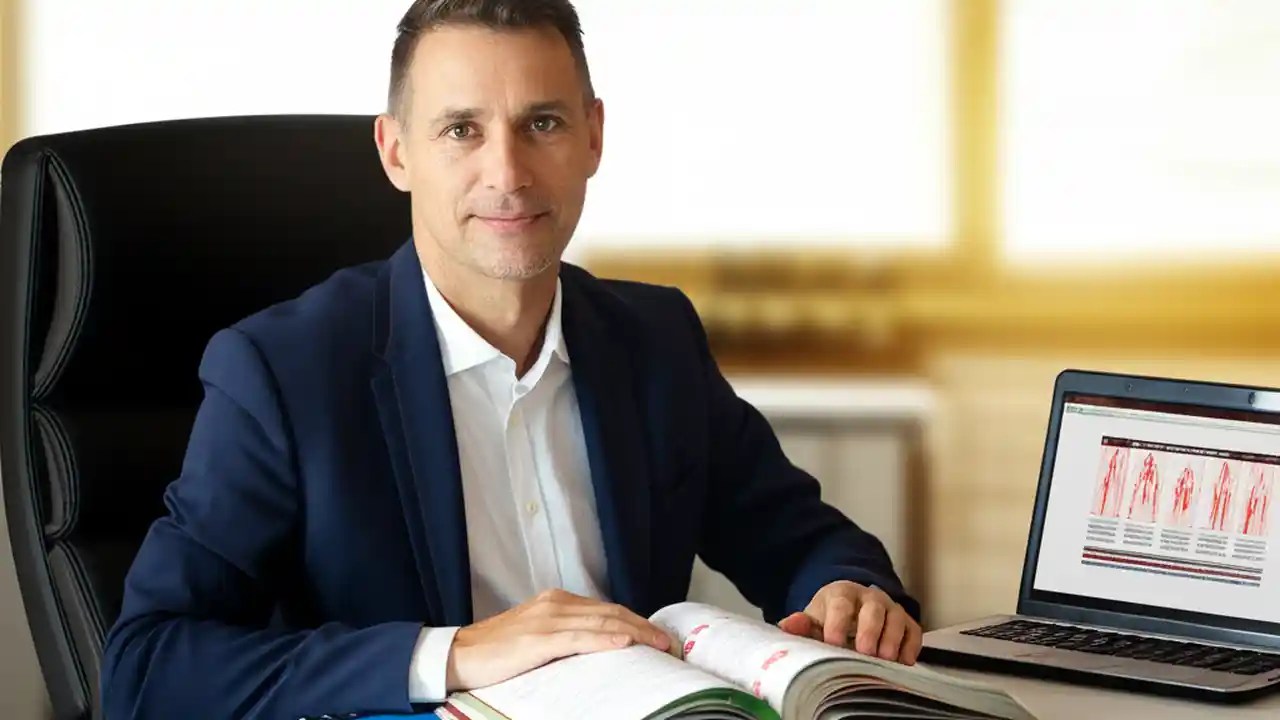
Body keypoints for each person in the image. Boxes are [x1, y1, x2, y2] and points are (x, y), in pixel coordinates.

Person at [100, 1, 922, 717]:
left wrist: (847, 594)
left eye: (543, 123)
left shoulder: (654, 337)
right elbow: (147, 666)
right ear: (395, 154)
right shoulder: (280, 373)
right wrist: (456, 652)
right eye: (462, 130)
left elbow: (804, 538)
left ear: (594, 136)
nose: (508, 173)